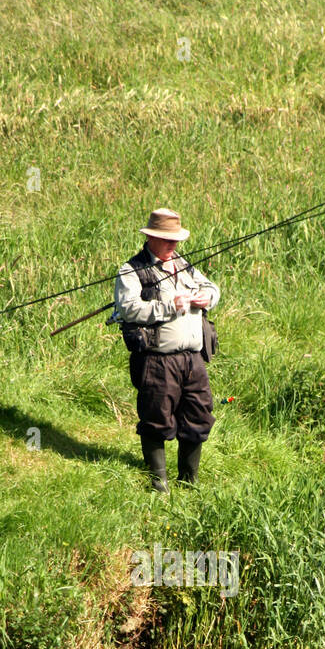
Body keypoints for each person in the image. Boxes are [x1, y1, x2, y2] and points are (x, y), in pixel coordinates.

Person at [114, 208, 220, 493]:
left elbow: (212, 288)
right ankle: (158, 484)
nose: (173, 245)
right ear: (150, 237)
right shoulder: (131, 271)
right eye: (166, 240)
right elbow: (128, 308)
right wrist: (169, 306)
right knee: (156, 420)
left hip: (194, 360)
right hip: (157, 361)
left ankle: (189, 482)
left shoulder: (183, 264)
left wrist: (205, 297)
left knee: (199, 416)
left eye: (175, 239)